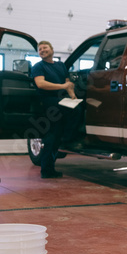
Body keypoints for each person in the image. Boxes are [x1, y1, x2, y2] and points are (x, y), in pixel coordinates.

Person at [31, 40, 76, 178]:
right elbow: (41, 84)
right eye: (40, 49)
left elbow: (68, 83)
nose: (42, 50)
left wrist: (73, 96)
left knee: (56, 135)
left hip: (62, 100)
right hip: (48, 102)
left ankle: (49, 168)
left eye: (45, 47)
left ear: (52, 49)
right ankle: (46, 169)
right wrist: (62, 87)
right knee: (51, 136)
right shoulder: (38, 66)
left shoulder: (61, 66)